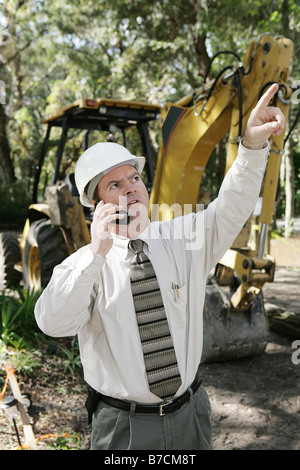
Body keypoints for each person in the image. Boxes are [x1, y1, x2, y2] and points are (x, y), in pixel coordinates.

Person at [34, 84, 285, 450]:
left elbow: (232, 206)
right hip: (125, 428)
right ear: (97, 204)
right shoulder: (82, 266)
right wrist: (97, 252)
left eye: (135, 177)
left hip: (190, 416)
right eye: (115, 184)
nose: (131, 187)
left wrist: (251, 146)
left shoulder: (184, 239)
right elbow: (53, 323)